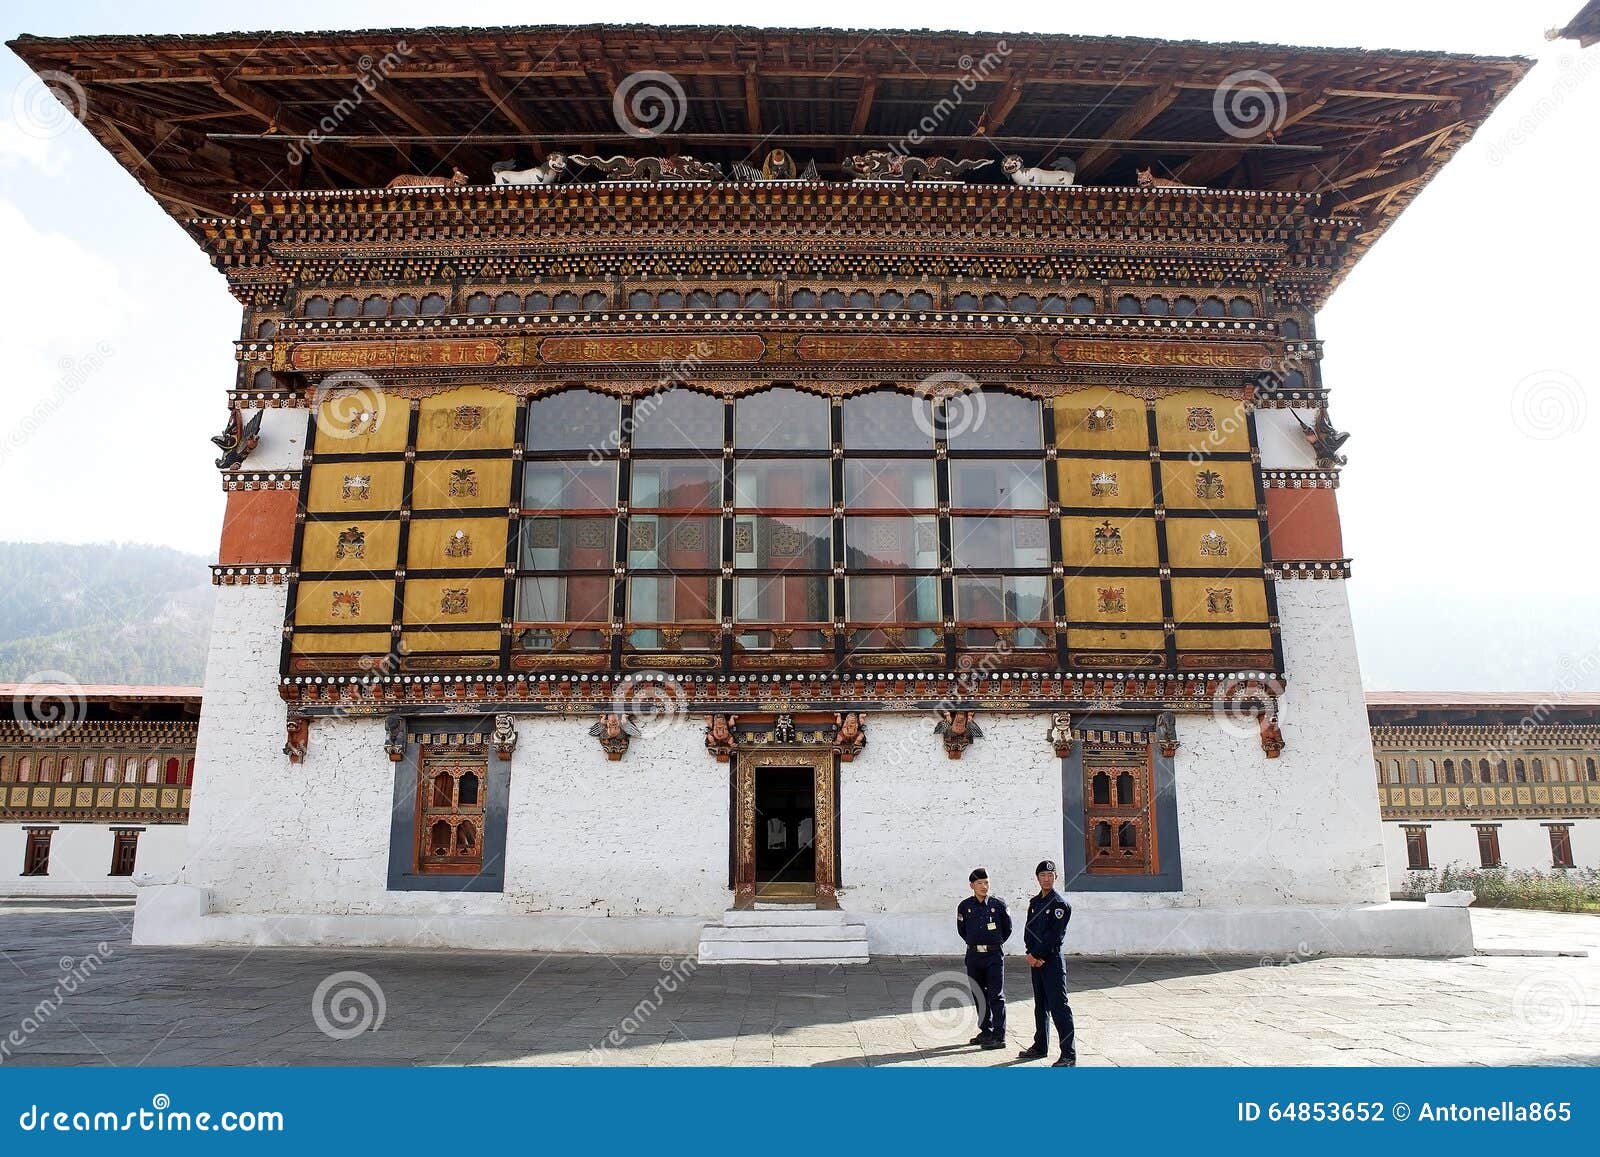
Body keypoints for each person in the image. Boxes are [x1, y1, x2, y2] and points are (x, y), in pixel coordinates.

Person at [1019, 859, 1076, 1066]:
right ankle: (1040, 1046)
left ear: (1056, 878)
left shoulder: (1060, 904)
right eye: (1042, 875)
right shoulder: (1035, 902)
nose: (1046, 879)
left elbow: (1055, 936)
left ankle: (1068, 1054)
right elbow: (1029, 930)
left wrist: (1039, 955)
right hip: (1035, 960)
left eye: (1050, 876)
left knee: (1059, 1006)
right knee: (1040, 1005)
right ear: (1037, 878)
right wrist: (1030, 953)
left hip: (1051, 961)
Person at [956, 867, 1011, 1049]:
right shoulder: (965, 906)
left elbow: (1007, 929)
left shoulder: (998, 905)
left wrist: (993, 943)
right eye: (979, 883)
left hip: (994, 955)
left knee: (996, 995)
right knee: (978, 993)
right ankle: (985, 1031)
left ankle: (999, 1034)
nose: (984, 886)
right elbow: (962, 930)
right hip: (973, 956)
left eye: (986, 882)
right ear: (972, 885)